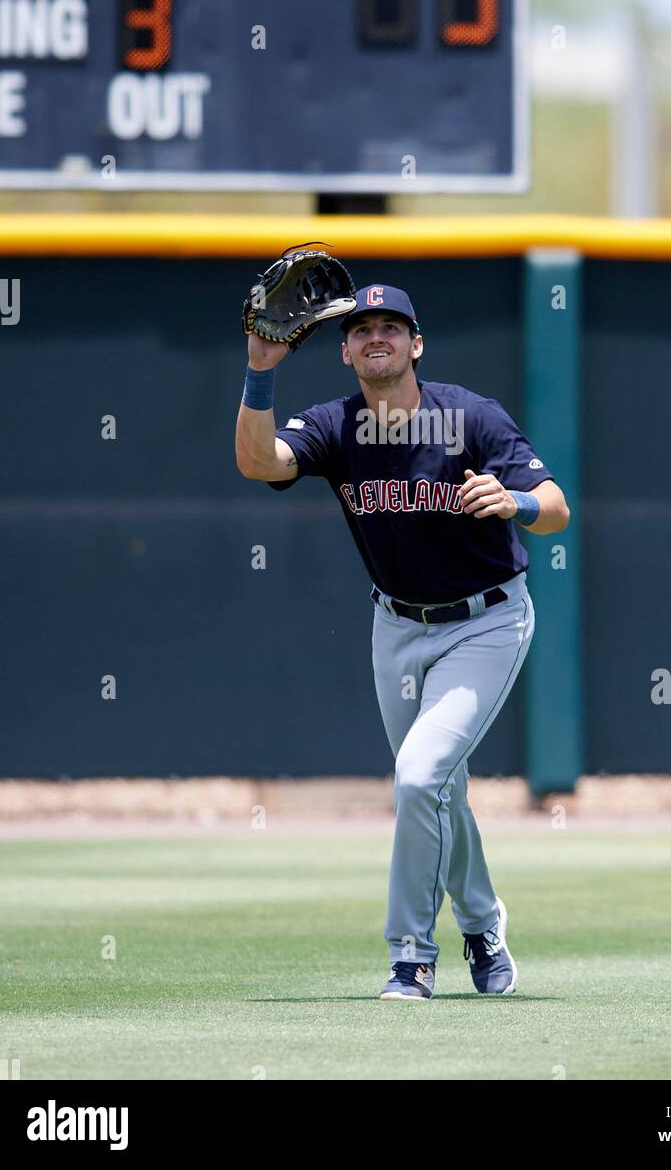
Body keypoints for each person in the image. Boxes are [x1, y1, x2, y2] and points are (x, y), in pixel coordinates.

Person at [235, 282, 569, 999]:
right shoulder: (335, 424)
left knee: (419, 777)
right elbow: (259, 463)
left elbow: (556, 510)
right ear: (347, 349)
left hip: (486, 620)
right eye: (361, 329)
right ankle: (482, 923)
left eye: (392, 325)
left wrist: (515, 500)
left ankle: (412, 958)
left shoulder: (470, 416)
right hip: (397, 627)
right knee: (437, 790)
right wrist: (261, 369)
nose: (375, 336)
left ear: (416, 344)